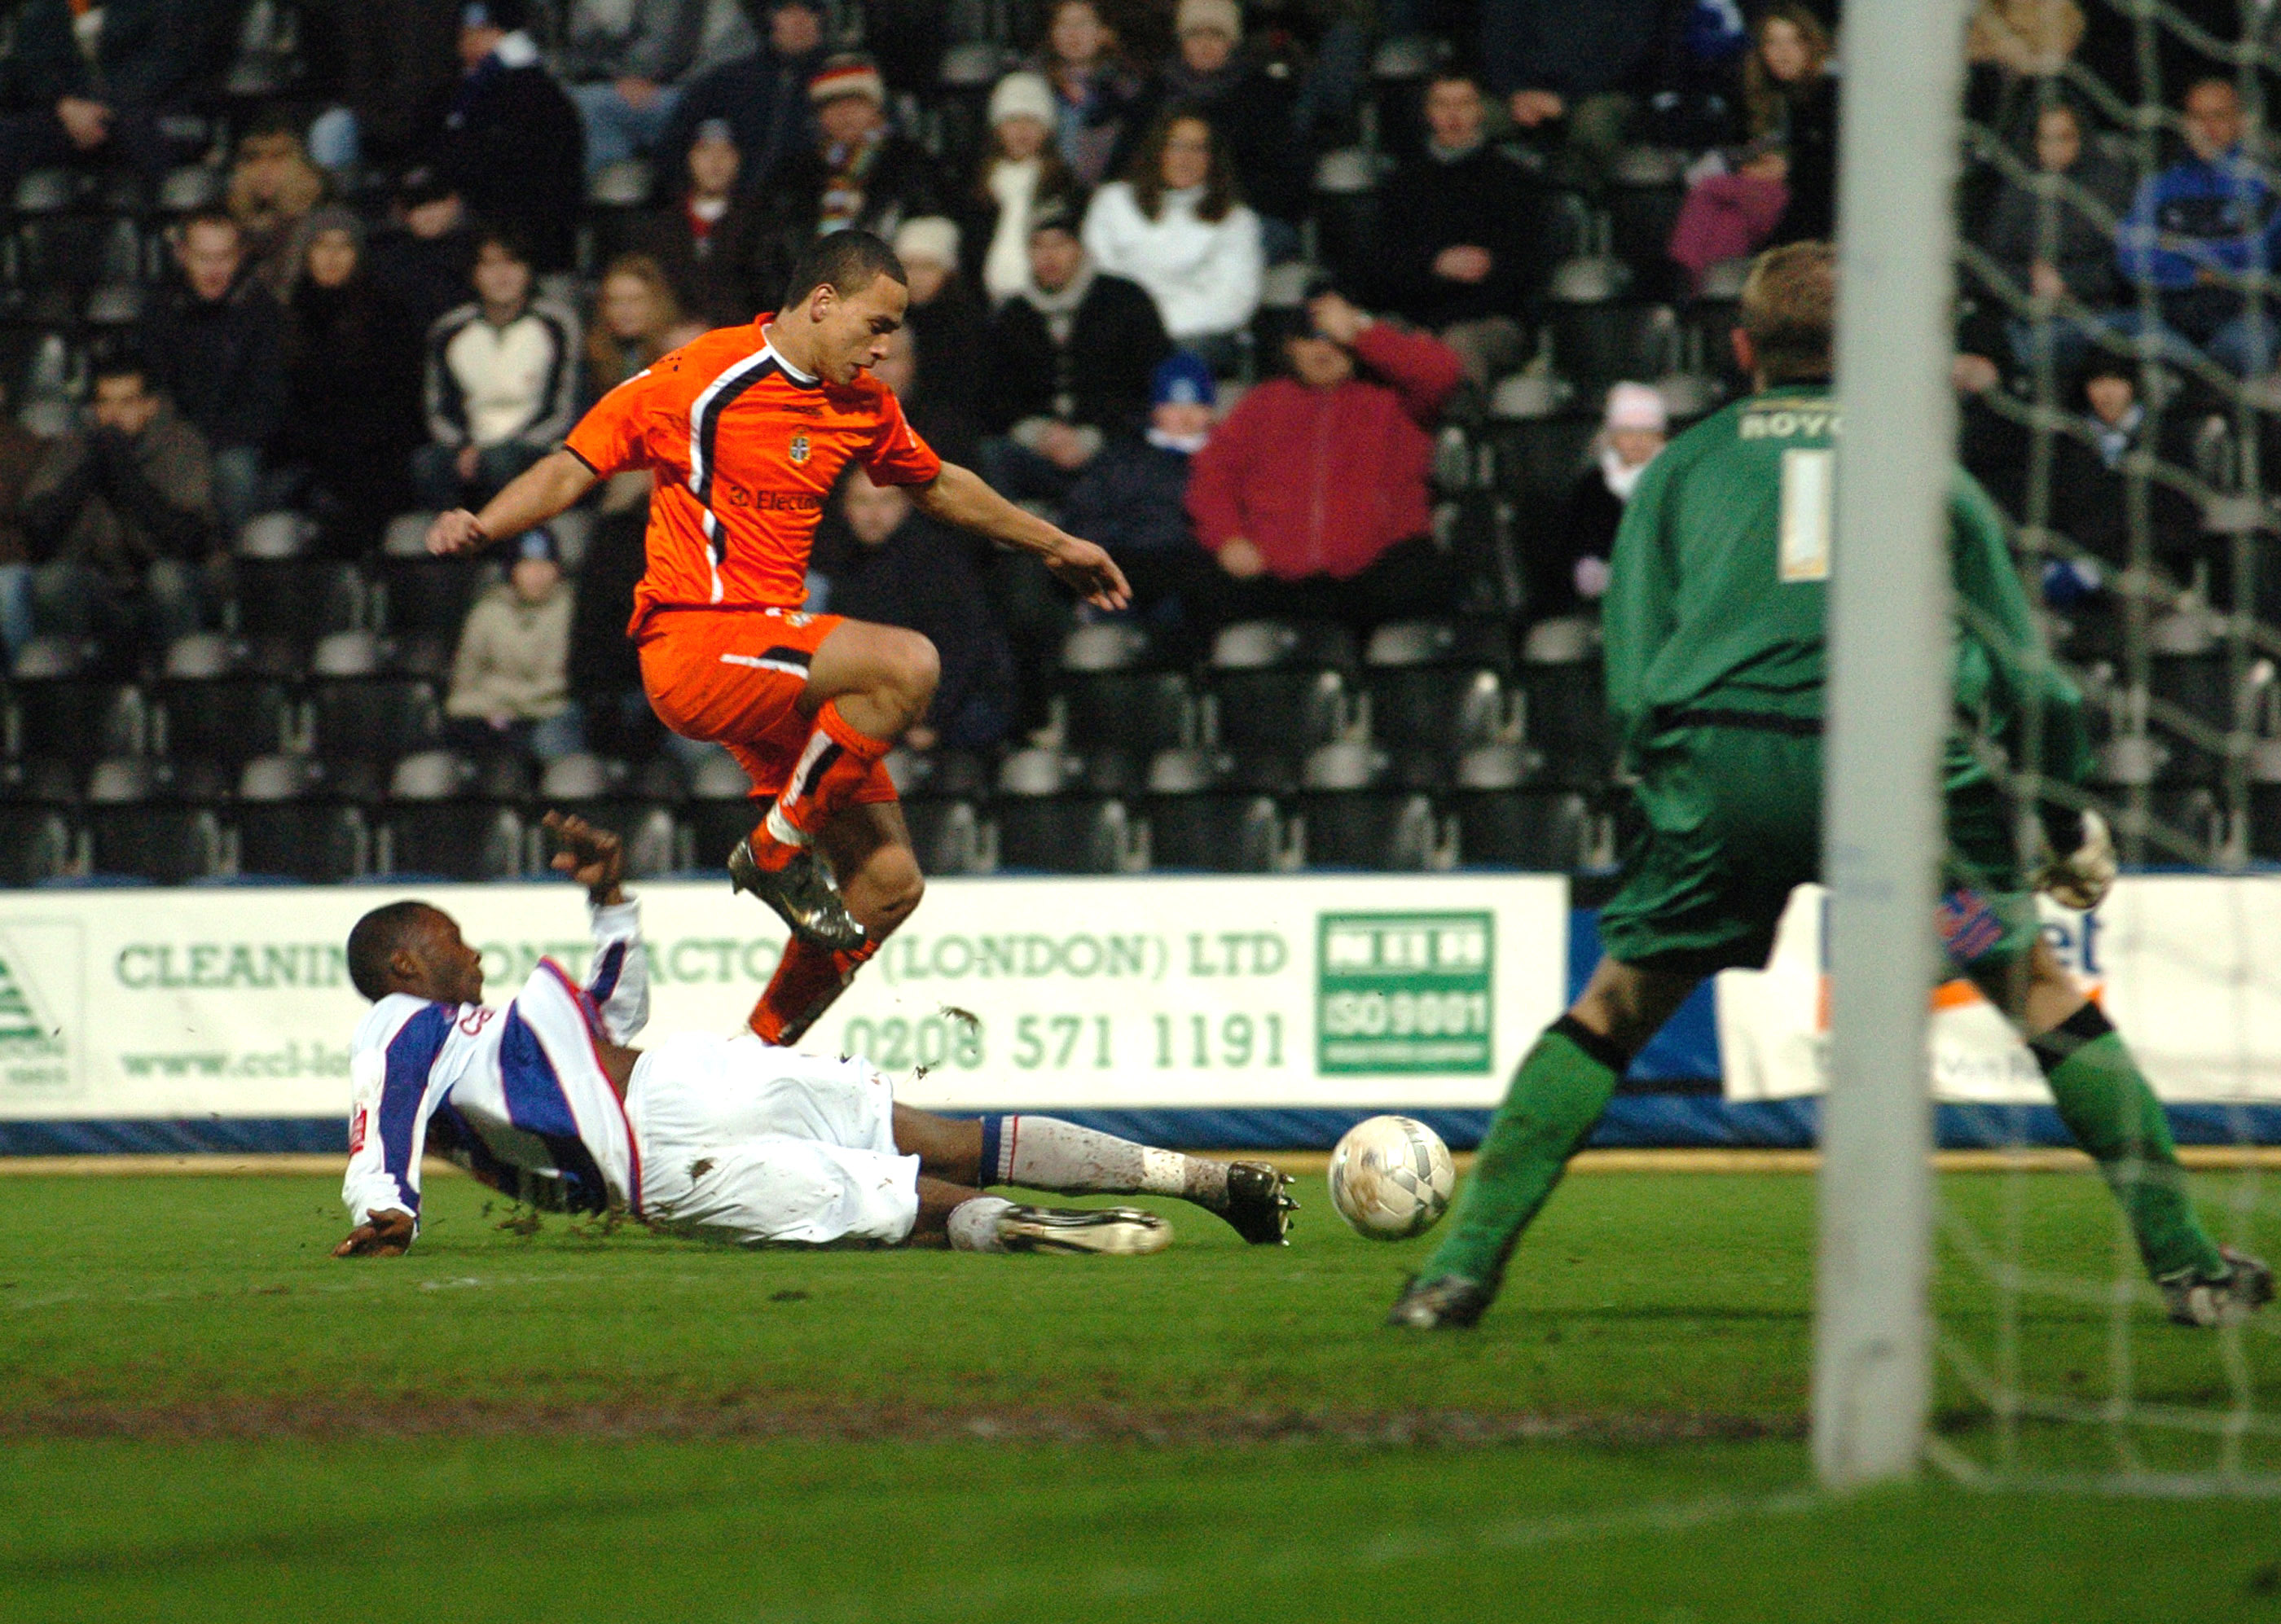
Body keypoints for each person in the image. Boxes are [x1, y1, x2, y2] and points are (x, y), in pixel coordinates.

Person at [1388, 242, 2274, 1333]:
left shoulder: (1679, 466)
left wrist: (1681, 786)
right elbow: (2031, 679)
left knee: (1613, 1007)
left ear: (1743, 347)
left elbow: (1625, 674)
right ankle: (2189, 1271)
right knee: (2036, 992)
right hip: (1897, 786)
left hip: (1727, 778)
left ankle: (1455, 1275)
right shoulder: (1923, 465)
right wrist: (2059, 815)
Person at [422, 230, 1131, 1051]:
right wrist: (486, 521)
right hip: (695, 638)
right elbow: (574, 463)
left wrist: (1053, 543)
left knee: (891, 884)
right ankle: (773, 846)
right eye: (875, 323)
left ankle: (750, 1061)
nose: (884, 346)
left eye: (894, 330)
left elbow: (935, 483)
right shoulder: (698, 378)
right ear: (822, 302)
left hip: (774, 668)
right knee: (909, 662)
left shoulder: (860, 401)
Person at [333, 814, 1294, 1256]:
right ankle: (1210, 1181)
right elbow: (395, 1101)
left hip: (663, 1147)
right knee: (939, 1132)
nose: (478, 959)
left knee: (903, 1205)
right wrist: (387, 1198)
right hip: (689, 1083)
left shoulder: (465, 1037)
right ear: (405, 964)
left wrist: (611, 904)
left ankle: (1042, 1231)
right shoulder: (408, 1017)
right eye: (455, 946)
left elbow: (597, 1025)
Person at [1184, 292, 1465, 639]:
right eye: (1309, 341)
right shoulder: (1261, 406)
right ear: (1290, 348)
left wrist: (1361, 330)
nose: (1322, 351)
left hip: (1376, 574)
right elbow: (1212, 479)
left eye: (1334, 341)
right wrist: (1228, 539)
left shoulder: (1391, 399)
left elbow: (1443, 372)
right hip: (1278, 579)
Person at [19, 357, 220, 664]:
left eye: (127, 402)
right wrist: (91, 470)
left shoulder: (182, 443)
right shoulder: (74, 448)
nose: (114, 415)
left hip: (170, 582)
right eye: (106, 404)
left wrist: (124, 474)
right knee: (53, 581)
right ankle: (72, 697)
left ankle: (176, 689)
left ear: (150, 405)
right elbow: (39, 530)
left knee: (166, 579)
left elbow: (186, 542)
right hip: (102, 589)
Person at [980, 204, 1171, 505]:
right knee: (990, 455)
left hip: (1111, 443)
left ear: (1079, 248)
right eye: (1038, 246)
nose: (1049, 257)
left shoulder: (1124, 301)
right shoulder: (1012, 315)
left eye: (1060, 245)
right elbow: (994, 393)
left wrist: (1092, 435)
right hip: (1038, 446)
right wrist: (1037, 432)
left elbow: (1149, 381)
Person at [1377, 66, 1545, 392]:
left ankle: (1459, 436)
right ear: (1428, 113)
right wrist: (1435, 266)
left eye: (1464, 104)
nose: (1453, 115)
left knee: (1459, 344)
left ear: (1480, 109)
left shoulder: (1512, 180)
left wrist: (1438, 325)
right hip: (1415, 314)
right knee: (1381, 338)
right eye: (1442, 104)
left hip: (1488, 320)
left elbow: (1518, 276)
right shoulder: (1402, 182)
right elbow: (1382, 270)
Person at [824, 470, 1014, 750]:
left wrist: (930, 719)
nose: (873, 514)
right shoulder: (847, 569)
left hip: (959, 704)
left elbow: (963, 648)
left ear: (905, 505)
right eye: (862, 502)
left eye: (885, 501)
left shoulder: (939, 561)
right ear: (846, 509)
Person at [277, 209, 424, 554]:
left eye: (343, 247)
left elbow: (401, 398)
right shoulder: (287, 317)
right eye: (322, 246)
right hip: (307, 452)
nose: (332, 257)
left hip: (376, 449)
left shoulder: (388, 314)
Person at [2115, 77, 2281, 378]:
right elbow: (2130, 257)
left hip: (2242, 320)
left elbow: (2257, 254)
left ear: (2240, 122)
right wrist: (2196, 274)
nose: (2207, 127)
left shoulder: (2264, 184)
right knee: (2104, 335)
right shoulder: (2160, 185)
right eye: (2196, 117)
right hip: (2169, 321)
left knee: (2249, 347)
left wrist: (2174, 246)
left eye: (2218, 116)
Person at [133, 212, 284, 537]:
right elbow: (156, 389)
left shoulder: (262, 313)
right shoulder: (160, 310)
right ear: (183, 255)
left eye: (224, 258)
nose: (214, 270)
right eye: (204, 258)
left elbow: (268, 403)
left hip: (238, 442)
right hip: (173, 436)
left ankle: (241, 571)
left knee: (235, 470)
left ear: (240, 256)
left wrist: (209, 440)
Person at [1061, 349, 1226, 647]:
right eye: (1173, 404)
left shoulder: (1226, 457)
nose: (1185, 415)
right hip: (1128, 570)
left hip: (1197, 578)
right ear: (1156, 408)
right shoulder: (1123, 458)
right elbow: (1086, 514)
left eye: (1197, 404)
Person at [415, 230, 583, 511]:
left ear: (528, 270)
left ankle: (507, 544)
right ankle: (454, 549)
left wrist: (506, 448)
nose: (501, 275)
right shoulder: (449, 330)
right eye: (490, 265)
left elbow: (564, 409)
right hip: (469, 447)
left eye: (512, 264)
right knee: (426, 463)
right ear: (474, 274)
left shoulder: (557, 324)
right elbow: (438, 409)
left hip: (537, 446)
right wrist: (464, 446)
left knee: (500, 462)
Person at [1082, 110, 1264, 369]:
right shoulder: (1113, 201)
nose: (1186, 158)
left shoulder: (1237, 220)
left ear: (1212, 158)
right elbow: (1099, 280)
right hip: (1121, 332)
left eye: (1198, 148)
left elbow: (1234, 301)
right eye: (1176, 146)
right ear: (1158, 151)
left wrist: (1152, 325)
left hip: (1196, 336)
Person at [1980, 100, 2133, 375]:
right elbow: (1992, 265)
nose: (2056, 148)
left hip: (2104, 316)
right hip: (2030, 321)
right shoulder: (2017, 189)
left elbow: (2126, 263)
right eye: (2046, 138)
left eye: (2065, 137)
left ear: (2081, 138)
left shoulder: (2110, 185)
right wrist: (2032, 281)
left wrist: (2067, 282)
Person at [438, 0, 587, 273]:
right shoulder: (467, 86)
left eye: (477, 32)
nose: (466, 42)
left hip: (530, 235)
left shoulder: (531, 90)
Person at [1146, 0, 1310, 245]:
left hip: (1245, 218)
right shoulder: (1155, 93)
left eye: (1216, 34)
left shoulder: (1263, 94)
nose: (1205, 44)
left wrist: (1221, 207)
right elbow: (1131, 166)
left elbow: (1286, 180)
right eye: (1195, 34)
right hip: (1166, 216)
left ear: (1232, 41)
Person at [1479, 0, 1667, 191]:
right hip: (1519, 95)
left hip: (1600, 93)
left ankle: (1574, 203)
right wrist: (1513, 92)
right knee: (1472, 116)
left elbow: (1629, 55)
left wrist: (1566, 99)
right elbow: (1495, 41)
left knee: (1594, 122)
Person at [765, 55, 949, 251]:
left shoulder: (910, 163)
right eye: (832, 105)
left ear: (876, 108)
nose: (844, 114)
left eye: (855, 103)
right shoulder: (794, 173)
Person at [559, 0, 755, 176]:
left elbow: (674, 54)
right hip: (648, 88)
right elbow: (587, 47)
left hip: (699, 95)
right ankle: (613, 185)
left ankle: (609, 190)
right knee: (572, 101)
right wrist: (622, 78)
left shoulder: (727, 12)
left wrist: (640, 79)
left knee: (591, 105)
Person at [657, 0, 826, 203]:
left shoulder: (842, 79)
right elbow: (676, 143)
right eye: (787, 11)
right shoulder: (728, 80)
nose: (799, 21)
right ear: (770, 19)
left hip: (808, 209)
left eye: (810, 11)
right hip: (730, 212)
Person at [445, 525, 582, 761]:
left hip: (551, 711)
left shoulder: (573, 610)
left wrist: (503, 697)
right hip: (491, 710)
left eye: (544, 565)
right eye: (527, 565)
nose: (536, 574)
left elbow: (557, 684)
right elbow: (465, 681)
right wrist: (496, 707)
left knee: (550, 740)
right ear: (512, 570)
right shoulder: (488, 611)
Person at [1536, 381, 1667, 625]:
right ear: (1614, 436)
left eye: (1646, 432)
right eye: (1628, 432)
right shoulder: (1592, 488)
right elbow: (1572, 551)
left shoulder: (1672, 484)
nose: (1638, 442)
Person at [631, 119, 777, 325]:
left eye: (726, 152)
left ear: (739, 159)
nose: (715, 161)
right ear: (689, 158)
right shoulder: (661, 227)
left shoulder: (760, 225)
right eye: (705, 151)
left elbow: (768, 294)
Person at [969, 72, 1083, 306]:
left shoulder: (1064, 186)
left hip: (1042, 302)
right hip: (984, 302)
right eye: (1013, 120)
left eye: (1032, 121)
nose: (1022, 131)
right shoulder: (977, 187)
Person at [890, 217, 988, 469]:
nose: (916, 277)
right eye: (908, 266)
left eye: (927, 267)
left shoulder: (967, 326)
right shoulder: (886, 319)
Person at [1744, 3, 1839, 246]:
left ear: (1811, 45)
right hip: (1792, 203)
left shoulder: (1829, 95)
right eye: (1772, 43)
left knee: (1713, 191)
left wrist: (1786, 170)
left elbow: (1820, 176)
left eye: (1794, 41)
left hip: (1821, 216)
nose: (1782, 53)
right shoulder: (1777, 96)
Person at [1032, 0, 1150, 189]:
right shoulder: (1033, 87)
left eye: (1083, 24)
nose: (1073, 33)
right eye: (1063, 24)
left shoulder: (1127, 91)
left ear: (1105, 32)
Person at [364, 168, 482, 336]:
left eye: (435, 201)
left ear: (453, 202)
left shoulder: (478, 253)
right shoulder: (387, 261)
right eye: (416, 205)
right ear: (402, 212)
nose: (428, 212)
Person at [225, 114, 330, 299]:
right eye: (254, 159)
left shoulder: (317, 224)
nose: (264, 170)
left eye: (276, 159)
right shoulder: (233, 224)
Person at [587, 254, 685, 398]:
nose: (624, 311)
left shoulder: (678, 354)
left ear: (657, 302)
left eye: (635, 300)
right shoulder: (596, 355)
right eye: (615, 301)